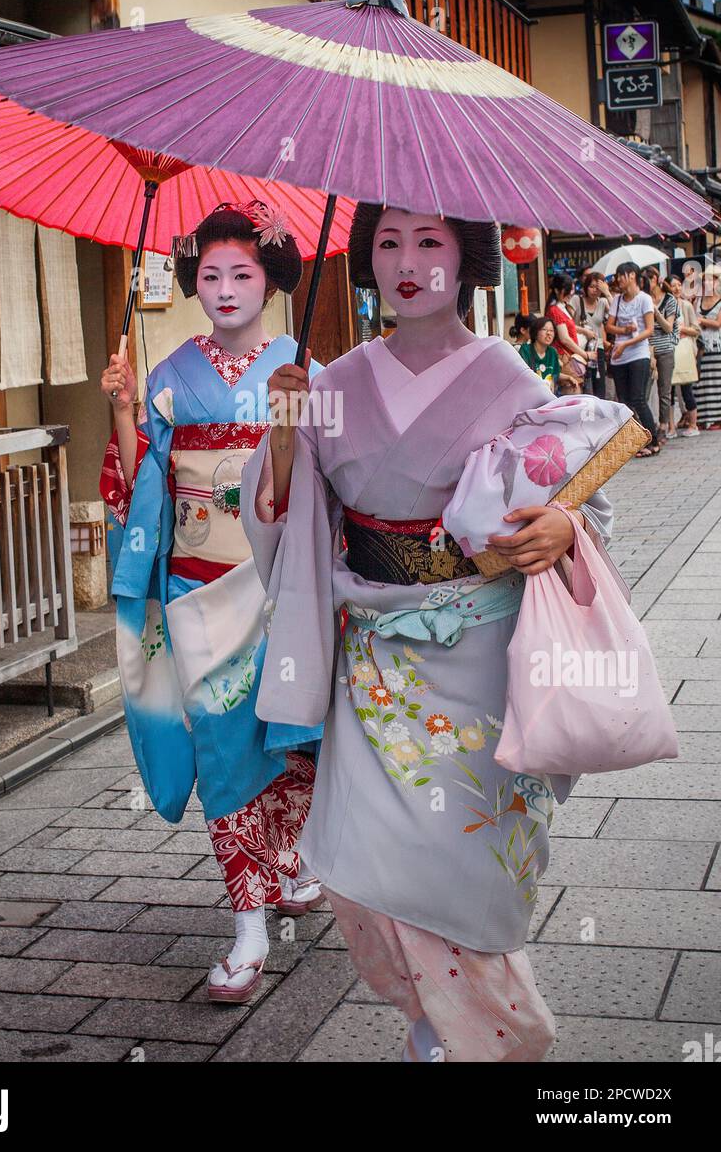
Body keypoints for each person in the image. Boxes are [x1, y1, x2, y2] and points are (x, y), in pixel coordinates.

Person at [241, 206, 629, 1063]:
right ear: (364, 258)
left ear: (468, 257)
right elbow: (290, 513)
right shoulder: (331, 383)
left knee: (466, 868)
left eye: (429, 243)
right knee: (370, 876)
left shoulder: (510, 377)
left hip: (481, 661)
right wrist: (281, 437)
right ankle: (430, 1028)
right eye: (387, 243)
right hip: (375, 664)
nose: (406, 263)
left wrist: (564, 526)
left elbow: (575, 497)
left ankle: (489, 1037)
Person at [100, 202, 323, 1003]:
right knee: (225, 754)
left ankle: (289, 862)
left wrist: (296, 426)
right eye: (209, 274)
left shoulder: (302, 365)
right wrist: (124, 407)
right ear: (193, 284)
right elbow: (141, 483)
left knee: (292, 740)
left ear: (269, 282)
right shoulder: (169, 371)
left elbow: (324, 489)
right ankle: (249, 925)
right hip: (198, 588)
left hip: (278, 588)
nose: (224, 287)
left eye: (242, 273)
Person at [606, 261, 659, 456]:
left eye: (622, 275)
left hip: (638, 354)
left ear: (632, 276)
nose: (619, 279)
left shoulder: (644, 299)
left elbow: (649, 330)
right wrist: (623, 331)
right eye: (618, 276)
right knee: (625, 401)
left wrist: (626, 343)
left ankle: (653, 440)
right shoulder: (617, 300)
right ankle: (635, 442)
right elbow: (609, 327)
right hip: (619, 357)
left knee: (638, 398)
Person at [642, 266, 679, 445]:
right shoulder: (642, 299)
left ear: (655, 279)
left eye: (646, 280)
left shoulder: (670, 300)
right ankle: (647, 427)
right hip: (646, 349)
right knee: (644, 391)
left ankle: (663, 426)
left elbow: (668, 327)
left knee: (664, 390)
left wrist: (654, 310)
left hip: (665, 349)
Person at [544, 272, 590, 393]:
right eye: (568, 290)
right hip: (563, 358)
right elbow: (565, 338)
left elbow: (567, 327)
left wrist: (584, 331)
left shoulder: (561, 307)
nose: (571, 293)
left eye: (572, 290)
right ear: (557, 290)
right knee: (573, 392)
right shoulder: (555, 310)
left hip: (568, 358)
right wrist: (585, 355)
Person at [668, 274, 700, 437]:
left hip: (684, 349)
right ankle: (671, 427)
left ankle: (693, 424)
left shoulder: (686, 306)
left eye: (679, 285)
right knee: (668, 391)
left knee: (687, 388)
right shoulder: (663, 306)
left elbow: (696, 329)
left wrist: (682, 329)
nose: (677, 288)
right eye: (673, 285)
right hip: (668, 349)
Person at [573, 271, 610, 399]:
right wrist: (584, 331)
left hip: (597, 348)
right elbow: (567, 324)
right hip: (580, 348)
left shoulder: (603, 302)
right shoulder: (577, 300)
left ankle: (599, 414)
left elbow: (617, 314)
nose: (595, 290)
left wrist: (607, 293)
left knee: (599, 385)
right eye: (592, 286)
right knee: (583, 384)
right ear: (586, 286)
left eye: (598, 287)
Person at [694, 263, 721, 430]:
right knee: (701, 382)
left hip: (716, 346)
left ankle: (718, 418)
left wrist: (702, 321)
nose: (707, 284)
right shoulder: (697, 301)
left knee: (717, 381)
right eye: (705, 281)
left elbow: (718, 324)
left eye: (711, 280)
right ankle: (704, 417)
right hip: (700, 347)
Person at [518, 315, 560, 391]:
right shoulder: (525, 349)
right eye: (544, 329)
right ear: (535, 332)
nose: (548, 333)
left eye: (551, 330)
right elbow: (523, 376)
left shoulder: (553, 352)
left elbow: (555, 375)